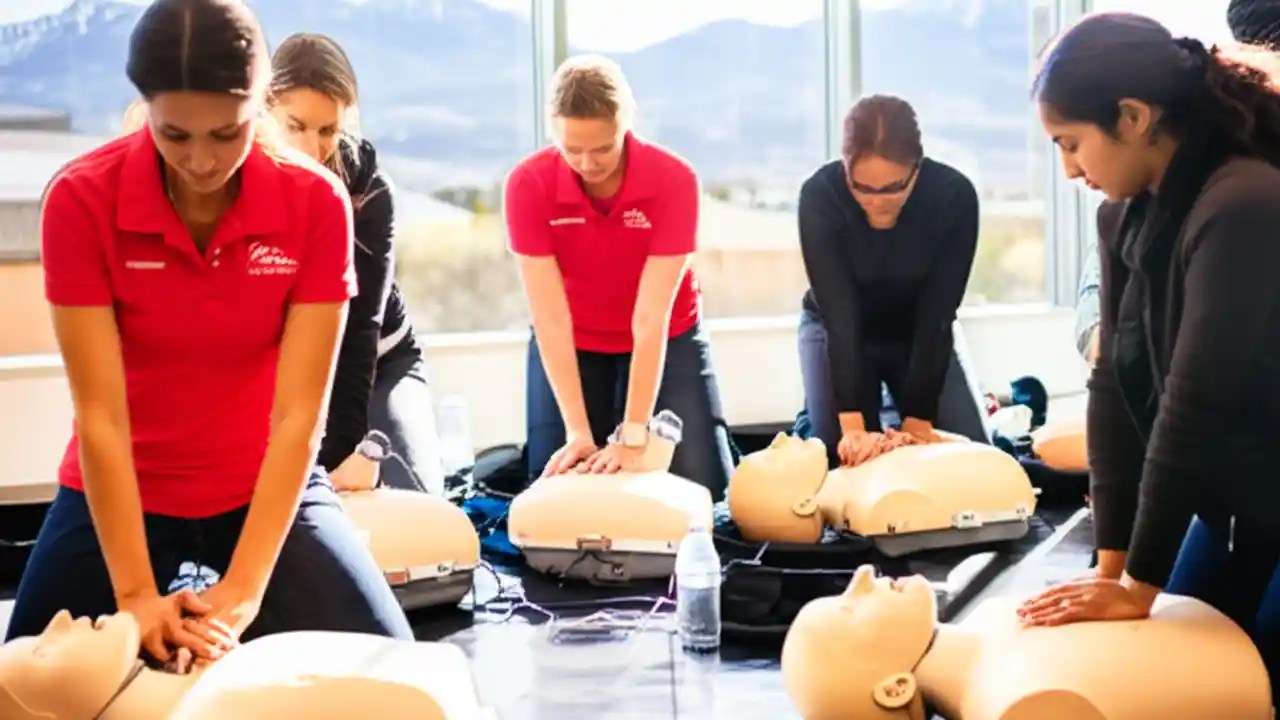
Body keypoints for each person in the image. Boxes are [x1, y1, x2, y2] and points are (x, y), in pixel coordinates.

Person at [5, 0, 412, 664]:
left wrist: (246, 591)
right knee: (25, 687)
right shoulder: (81, 199)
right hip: (122, 486)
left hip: (265, 483)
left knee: (394, 681)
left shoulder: (315, 202)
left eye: (227, 133)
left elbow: (298, 418)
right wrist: (135, 595)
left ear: (261, 105)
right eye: (175, 134)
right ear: (146, 109)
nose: (200, 161)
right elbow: (100, 415)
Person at [1018, 10, 1280, 695]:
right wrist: (1112, 568)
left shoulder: (1244, 202)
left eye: (1071, 143)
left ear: (1132, 117)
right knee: (1172, 669)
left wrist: (1142, 582)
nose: (1069, 169)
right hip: (1242, 499)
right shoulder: (1126, 216)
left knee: (1253, 681)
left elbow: (1194, 402)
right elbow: (1110, 384)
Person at [503, 54, 734, 499]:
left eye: (602, 147)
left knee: (707, 496)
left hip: (668, 335)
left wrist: (633, 435)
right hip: (573, 340)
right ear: (553, 130)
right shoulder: (527, 184)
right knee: (560, 491)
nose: (588, 164)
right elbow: (549, 318)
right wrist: (577, 431)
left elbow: (651, 318)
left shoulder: (674, 179)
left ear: (626, 124)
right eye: (573, 149)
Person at [268, 33, 444, 496]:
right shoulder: (238, 183)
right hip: (281, 377)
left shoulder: (369, 192)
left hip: (379, 364)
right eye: (296, 125)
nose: (313, 148)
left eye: (328, 131)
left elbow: (359, 329)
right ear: (265, 112)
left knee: (416, 503)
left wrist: (339, 456)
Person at [796, 94, 984, 469]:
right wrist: (850, 425)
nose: (878, 201)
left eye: (894, 187)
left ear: (917, 168)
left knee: (966, 458)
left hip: (919, 331)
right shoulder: (820, 196)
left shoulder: (954, 196)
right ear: (845, 170)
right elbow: (840, 315)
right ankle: (811, 425)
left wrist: (918, 422)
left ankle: (889, 413)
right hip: (836, 329)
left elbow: (938, 313)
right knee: (841, 458)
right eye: (863, 188)